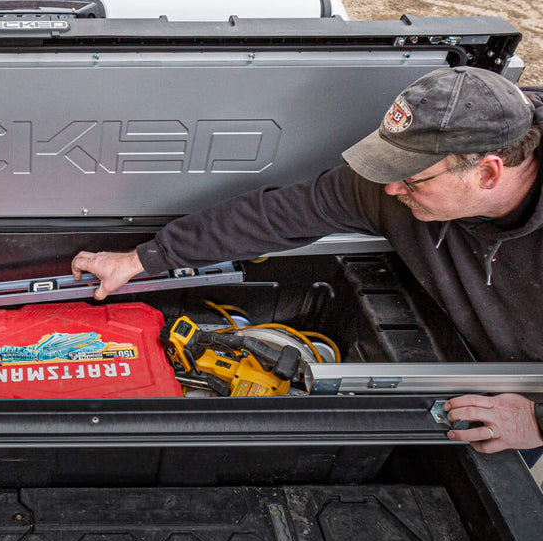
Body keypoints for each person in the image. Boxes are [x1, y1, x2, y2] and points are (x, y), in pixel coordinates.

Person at [71, 66, 543, 456]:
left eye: (411, 180)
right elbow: (276, 214)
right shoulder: (396, 189)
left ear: (486, 173)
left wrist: (536, 420)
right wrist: (143, 259)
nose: (392, 190)